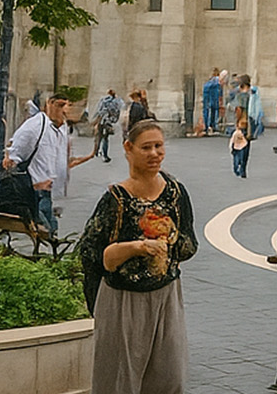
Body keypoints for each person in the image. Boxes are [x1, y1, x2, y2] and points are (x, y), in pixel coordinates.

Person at [77, 119, 198, 394]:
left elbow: (190, 245)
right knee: (119, 382)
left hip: (166, 295)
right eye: (146, 147)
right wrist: (138, 247)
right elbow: (95, 254)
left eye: (159, 146)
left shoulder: (176, 193)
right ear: (128, 149)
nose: (155, 153)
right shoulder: (117, 199)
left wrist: (171, 241)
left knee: (170, 380)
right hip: (122, 300)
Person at [5, 92, 96, 234]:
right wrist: (13, 162)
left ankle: (47, 248)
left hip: (51, 190)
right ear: (49, 104)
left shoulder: (63, 128)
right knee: (48, 229)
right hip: (36, 189)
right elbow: (15, 151)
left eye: (68, 105)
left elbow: (61, 157)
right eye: (60, 105)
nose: (65, 110)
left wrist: (87, 157)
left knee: (50, 229)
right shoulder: (35, 126)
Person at [93, 89, 124, 164]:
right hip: (109, 122)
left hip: (102, 121)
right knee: (105, 138)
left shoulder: (103, 100)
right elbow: (120, 109)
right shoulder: (117, 101)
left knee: (99, 136)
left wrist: (96, 120)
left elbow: (99, 111)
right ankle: (105, 155)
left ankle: (96, 151)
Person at [229, 106, 251, 179]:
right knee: (243, 154)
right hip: (244, 135)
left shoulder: (243, 119)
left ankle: (240, 168)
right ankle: (242, 169)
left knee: (241, 154)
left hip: (242, 134)